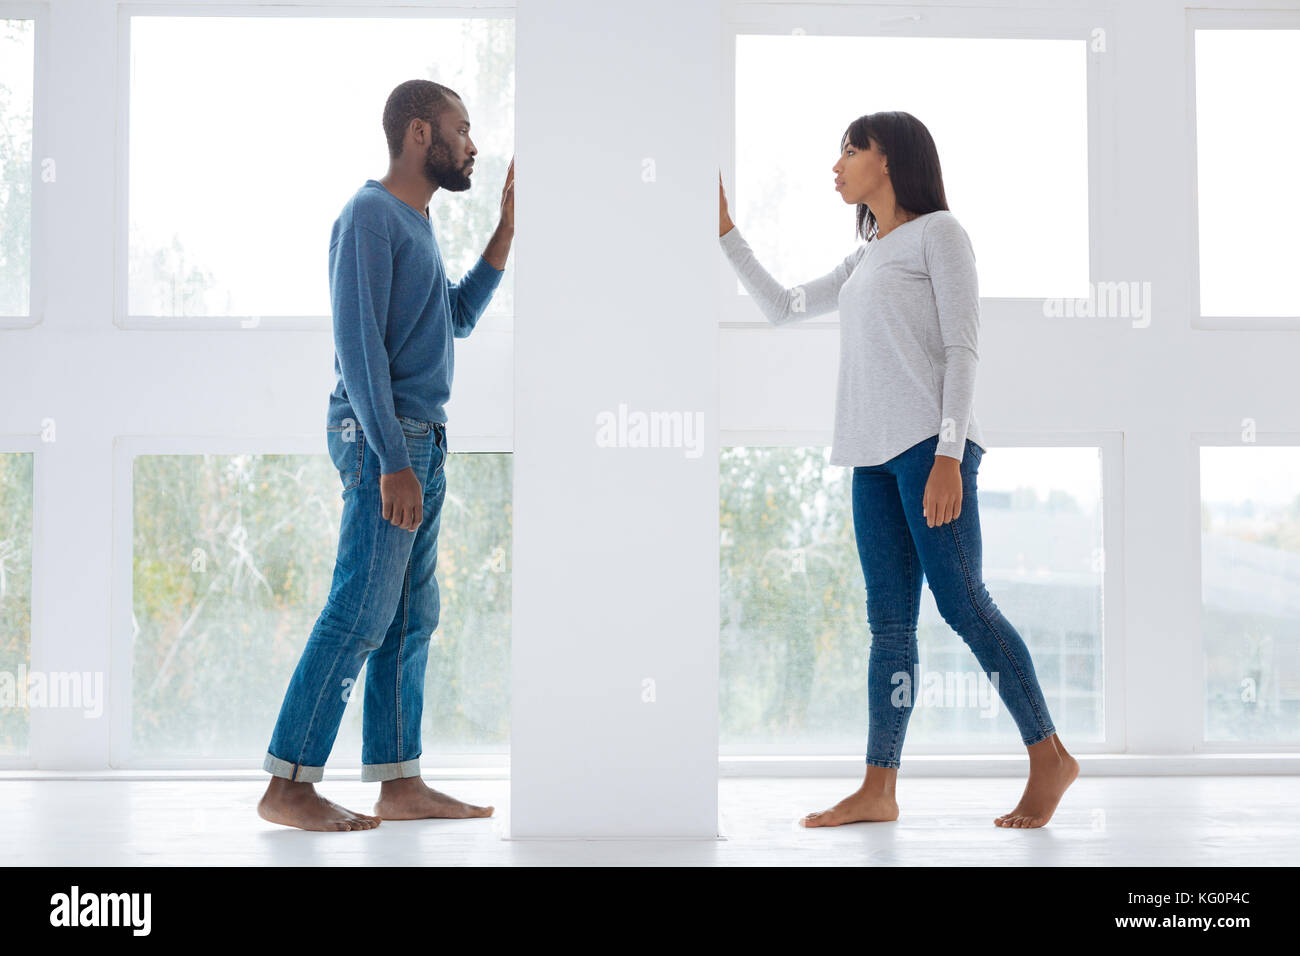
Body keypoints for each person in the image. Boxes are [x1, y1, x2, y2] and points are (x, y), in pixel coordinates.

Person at [718, 111, 1078, 829]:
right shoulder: (868, 256)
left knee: (962, 603)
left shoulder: (940, 234)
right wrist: (725, 232)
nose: (838, 163)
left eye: (852, 149)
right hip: (871, 457)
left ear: (889, 160)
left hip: (927, 448)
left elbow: (963, 350)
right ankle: (878, 787)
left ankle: (1048, 755)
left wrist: (949, 453)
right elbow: (784, 307)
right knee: (889, 626)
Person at [257, 79, 514, 831]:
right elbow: (358, 345)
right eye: (461, 129)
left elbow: (456, 318)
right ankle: (289, 783)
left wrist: (505, 231)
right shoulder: (369, 216)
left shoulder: (417, 225)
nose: (473, 144)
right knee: (360, 610)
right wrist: (391, 458)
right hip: (386, 439)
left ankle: (399, 781)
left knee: (409, 616)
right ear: (418, 134)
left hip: (420, 437)